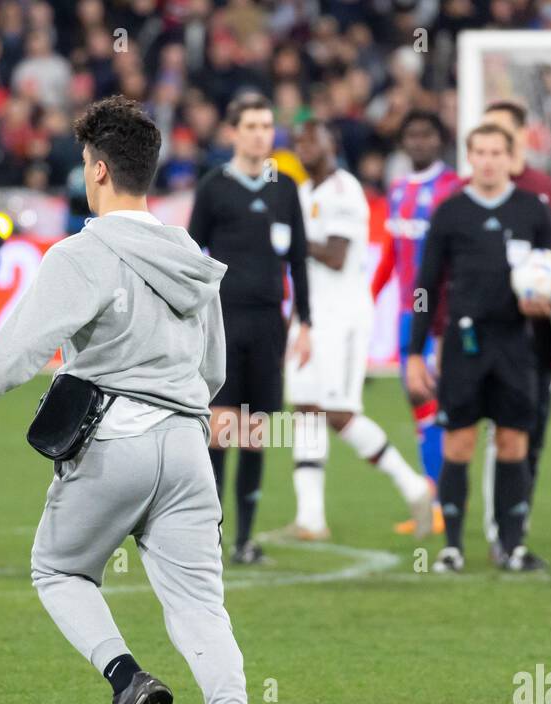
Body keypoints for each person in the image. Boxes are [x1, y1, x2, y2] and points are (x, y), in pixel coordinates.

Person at [0, 95, 272, 704]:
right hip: (187, 447)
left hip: (115, 440)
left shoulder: (83, 254)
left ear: (98, 170)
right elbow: (215, 371)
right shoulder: (195, 261)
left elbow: (15, 350)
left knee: (59, 571)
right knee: (203, 611)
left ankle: (127, 678)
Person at [405, 122, 551, 574]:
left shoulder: (534, 210)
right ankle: (452, 547)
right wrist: (414, 352)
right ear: (469, 158)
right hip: (464, 343)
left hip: (516, 344)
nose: (488, 160)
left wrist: (548, 314)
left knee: (513, 442)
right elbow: (426, 287)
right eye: (480, 152)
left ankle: (512, 548)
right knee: (459, 442)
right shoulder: (450, 212)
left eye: (497, 152)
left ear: (512, 157)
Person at [282, 119, 433, 540]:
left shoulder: (344, 190)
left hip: (343, 317)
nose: (305, 145)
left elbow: (333, 255)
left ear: (333, 142)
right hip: (312, 316)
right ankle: (311, 518)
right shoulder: (303, 192)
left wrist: (286, 238)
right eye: (299, 140)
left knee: (338, 412)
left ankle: (414, 485)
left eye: (314, 137)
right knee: (306, 411)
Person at [188, 92, 312, 565]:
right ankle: (211, 535)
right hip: (222, 321)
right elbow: (190, 254)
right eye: (253, 125)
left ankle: (245, 538)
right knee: (221, 429)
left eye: (267, 125)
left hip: (269, 323)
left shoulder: (285, 188)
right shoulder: (214, 187)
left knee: (256, 431)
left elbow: (298, 259)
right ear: (233, 132)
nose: (262, 133)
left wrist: (307, 324)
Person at [479, 100, 551, 556]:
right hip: (485, 335)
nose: (493, 149)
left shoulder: (545, 193)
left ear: (521, 137)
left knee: (533, 433)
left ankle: (516, 521)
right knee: (494, 433)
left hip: (537, 338)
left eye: (502, 134)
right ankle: (496, 527)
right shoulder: (469, 194)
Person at [371, 109, 464, 535]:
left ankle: (449, 499)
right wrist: (370, 296)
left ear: (439, 141)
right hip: (409, 314)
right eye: (412, 135)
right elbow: (392, 250)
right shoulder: (400, 190)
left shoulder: (453, 189)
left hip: (443, 317)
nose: (419, 142)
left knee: (442, 403)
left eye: (427, 134)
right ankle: (438, 500)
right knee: (420, 404)